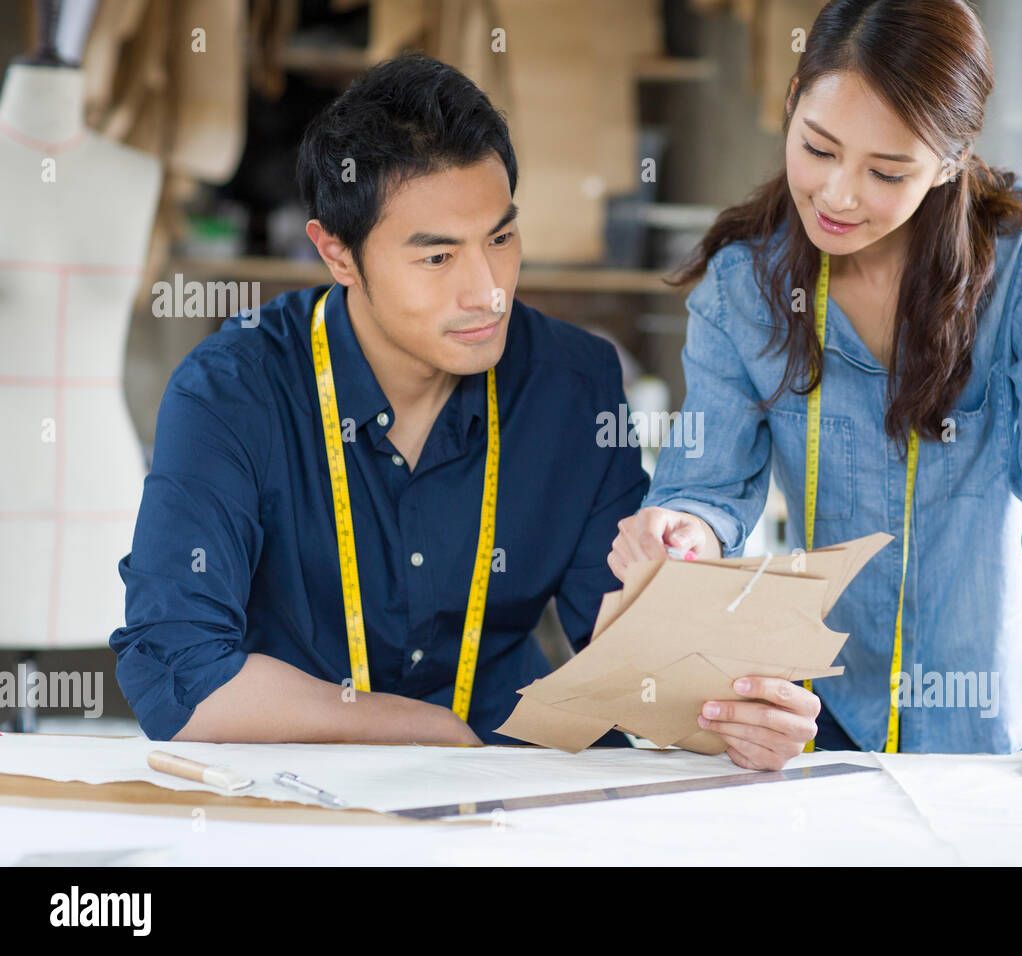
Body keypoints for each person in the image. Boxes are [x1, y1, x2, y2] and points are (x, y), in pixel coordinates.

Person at [608, 0, 1022, 790]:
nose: (837, 196)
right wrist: (679, 534)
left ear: (948, 161)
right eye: (818, 148)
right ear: (795, 98)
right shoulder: (744, 286)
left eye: (886, 172)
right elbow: (707, 494)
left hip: (1020, 711)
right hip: (828, 708)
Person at [110, 54, 647, 746]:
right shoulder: (232, 393)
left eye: (501, 238)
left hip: (507, 797)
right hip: (300, 801)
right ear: (337, 256)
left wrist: (726, 711)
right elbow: (177, 678)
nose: (487, 290)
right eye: (437, 257)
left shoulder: (573, 386)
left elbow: (626, 654)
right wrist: (425, 729)